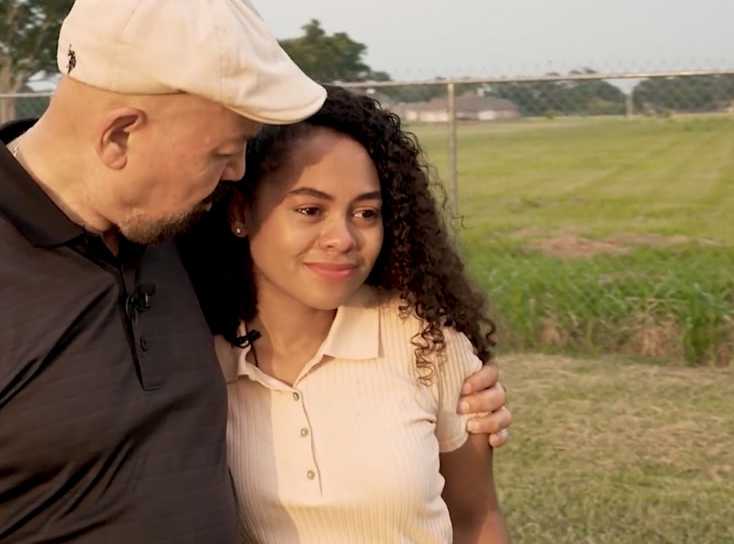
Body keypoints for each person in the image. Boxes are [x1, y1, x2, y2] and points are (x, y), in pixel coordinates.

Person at [0, 0, 512, 543]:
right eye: (221, 152)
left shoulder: (174, 233)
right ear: (119, 135)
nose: (236, 175)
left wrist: (452, 380)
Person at [179, 85, 510, 543]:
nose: (343, 238)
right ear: (240, 212)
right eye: (310, 209)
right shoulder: (203, 365)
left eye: (366, 213)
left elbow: (477, 519)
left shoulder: (426, 343)